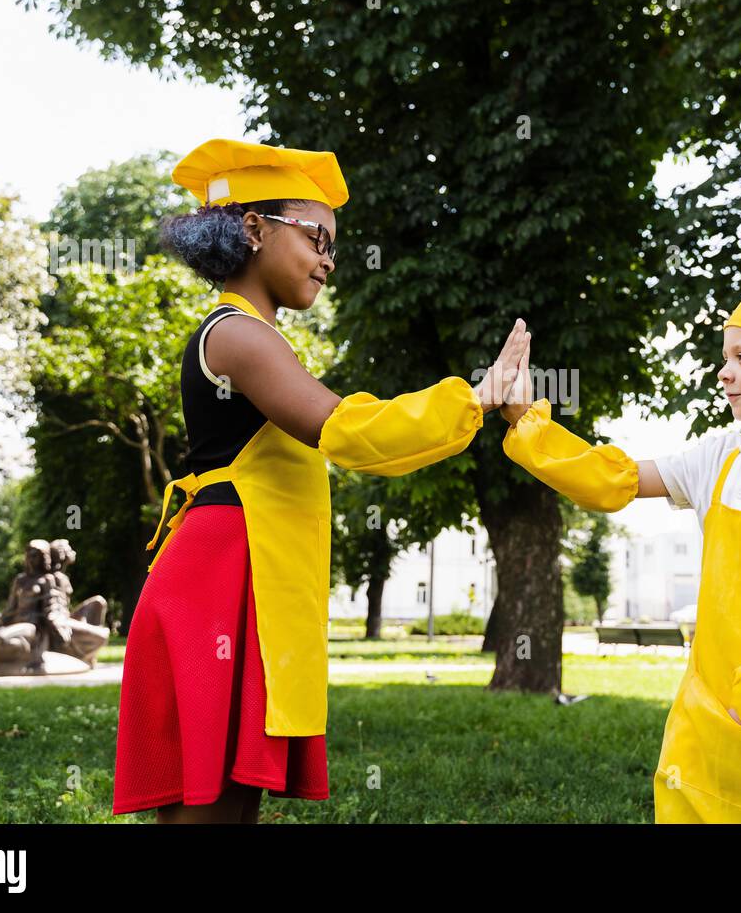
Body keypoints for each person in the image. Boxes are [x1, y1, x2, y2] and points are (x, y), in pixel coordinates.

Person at [112, 138, 528, 823]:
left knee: (223, 800)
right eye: (315, 237)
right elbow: (342, 428)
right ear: (253, 229)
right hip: (223, 579)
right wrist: (473, 400)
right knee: (212, 803)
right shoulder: (240, 336)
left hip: (238, 574)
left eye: (332, 244)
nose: (329, 259)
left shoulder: (257, 336)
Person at [499, 252, 741, 823]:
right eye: (724, 358)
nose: (723, 372)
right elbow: (617, 480)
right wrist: (524, 420)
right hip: (702, 727)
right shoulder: (719, 455)